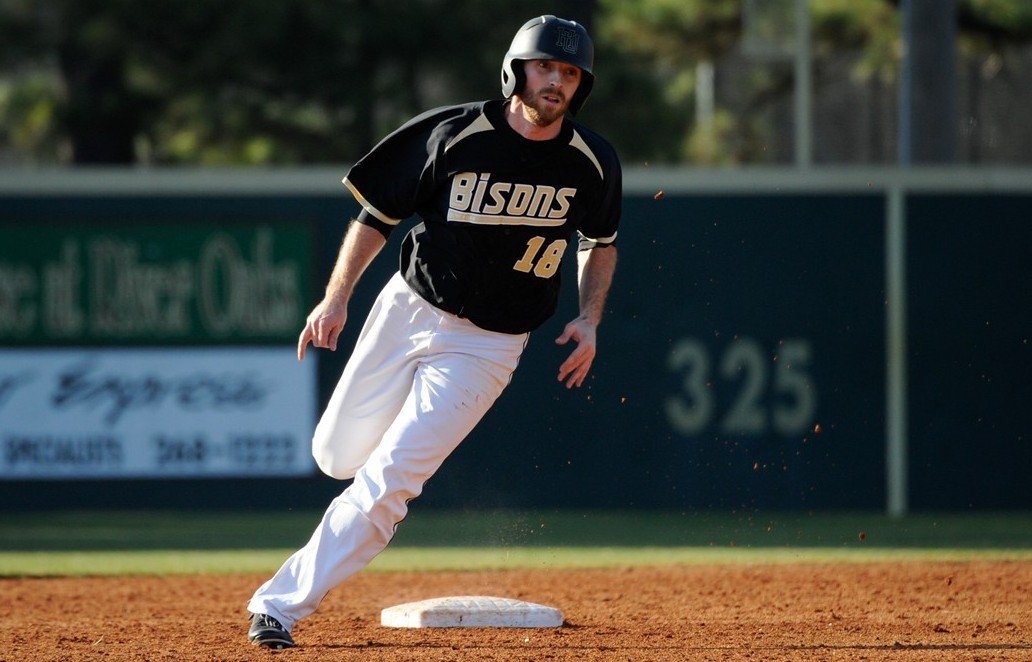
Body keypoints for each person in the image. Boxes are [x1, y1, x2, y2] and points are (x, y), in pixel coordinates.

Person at [246, 14, 622, 649]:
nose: (555, 80)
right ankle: (346, 507)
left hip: (488, 346)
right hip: (408, 308)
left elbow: (600, 242)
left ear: (580, 85)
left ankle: (277, 607)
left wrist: (589, 317)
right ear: (516, 70)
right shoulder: (454, 132)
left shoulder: (591, 160)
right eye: (544, 66)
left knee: (390, 478)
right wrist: (336, 298)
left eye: (569, 71)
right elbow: (377, 214)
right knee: (335, 455)